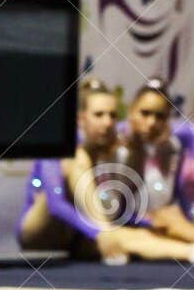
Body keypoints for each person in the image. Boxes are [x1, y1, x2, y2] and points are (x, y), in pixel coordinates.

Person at [18, 78, 194, 262]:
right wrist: (100, 232)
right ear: (82, 119)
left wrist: (148, 222)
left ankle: (189, 252)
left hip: (78, 236)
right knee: (78, 162)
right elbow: (56, 204)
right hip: (39, 233)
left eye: (112, 115)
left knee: (134, 236)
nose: (107, 122)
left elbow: (120, 212)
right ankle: (108, 233)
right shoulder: (65, 148)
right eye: (99, 115)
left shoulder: (115, 153)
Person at [117, 79, 194, 244]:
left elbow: (180, 202)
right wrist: (148, 220)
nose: (152, 122)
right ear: (131, 111)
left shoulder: (175, 148)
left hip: (164, 225)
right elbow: (113, 209)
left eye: (160, 116)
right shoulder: (115, 147)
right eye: (145, 113)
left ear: (167, 120)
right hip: (126, 229)